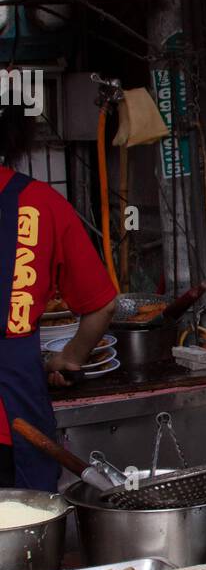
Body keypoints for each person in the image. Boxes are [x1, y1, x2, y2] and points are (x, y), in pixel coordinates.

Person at [0, 103, 117, 488]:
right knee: (23, 538)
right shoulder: (41, 203)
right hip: (18, 424)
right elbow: (101, 304)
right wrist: (68, 358)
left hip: (17, 416)